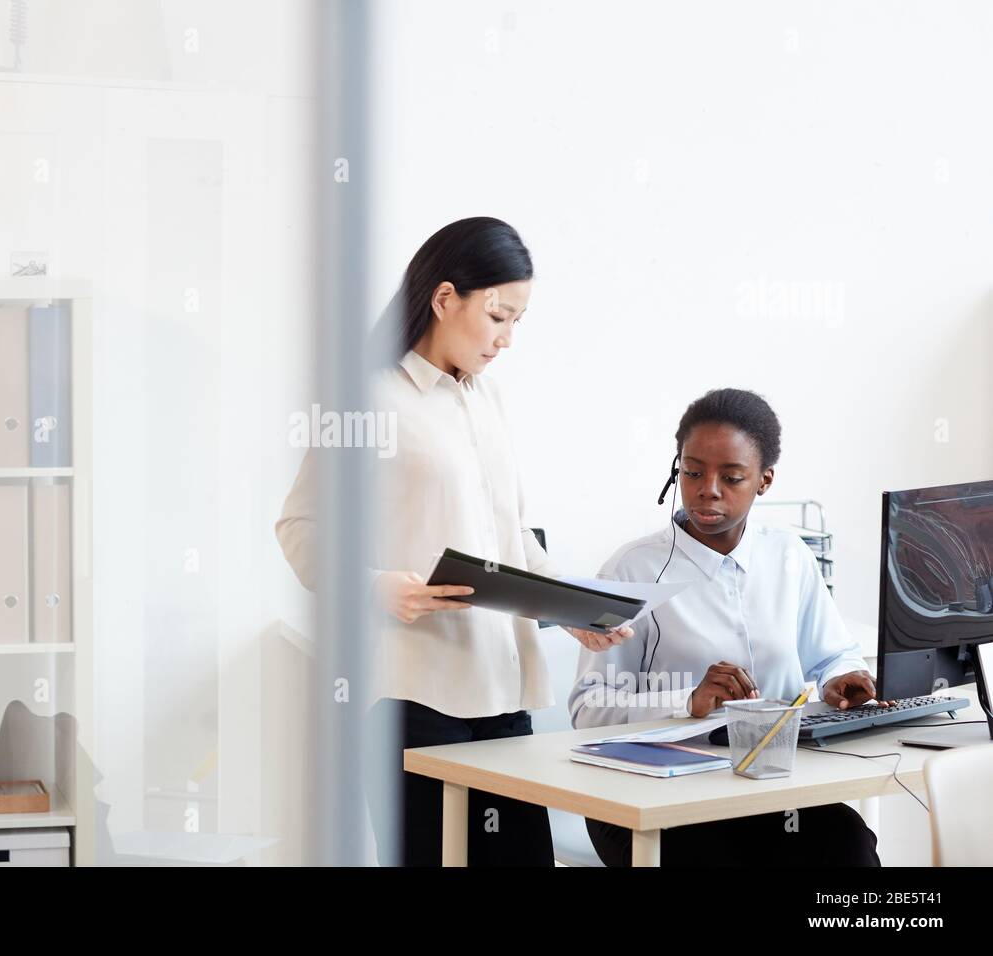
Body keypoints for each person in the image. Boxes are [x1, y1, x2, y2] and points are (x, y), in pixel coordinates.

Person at [276, 217, 629, 865]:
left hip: (500, 687)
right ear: (444, 299)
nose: (508, 339)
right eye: (499, 316)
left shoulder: (486, 399)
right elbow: (301, 528)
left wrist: (572, 608)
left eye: (519, 320)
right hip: (411, 691)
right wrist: (377, 587)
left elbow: (512, 532)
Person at [569, 387, 883, 866]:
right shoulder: (631, 570)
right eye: (692, 472)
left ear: (764, 481)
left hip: (767, 792)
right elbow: (587, 708)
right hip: (650, 804)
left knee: (847, 843)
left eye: (731, 477)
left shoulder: (788, 555)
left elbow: (832, 655)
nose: (707, 489)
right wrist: (688, 700)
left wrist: (843, 678)